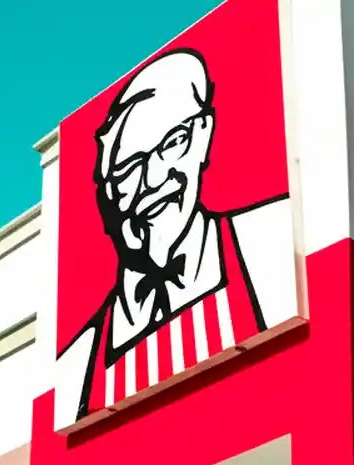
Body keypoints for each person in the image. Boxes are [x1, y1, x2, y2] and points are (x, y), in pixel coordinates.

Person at [55, 49, 294, 429]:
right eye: (129, 168)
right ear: (109, 194)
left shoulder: (275, 244)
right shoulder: (74, 369)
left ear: (202, 138)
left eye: (172, 143)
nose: (153, 179)